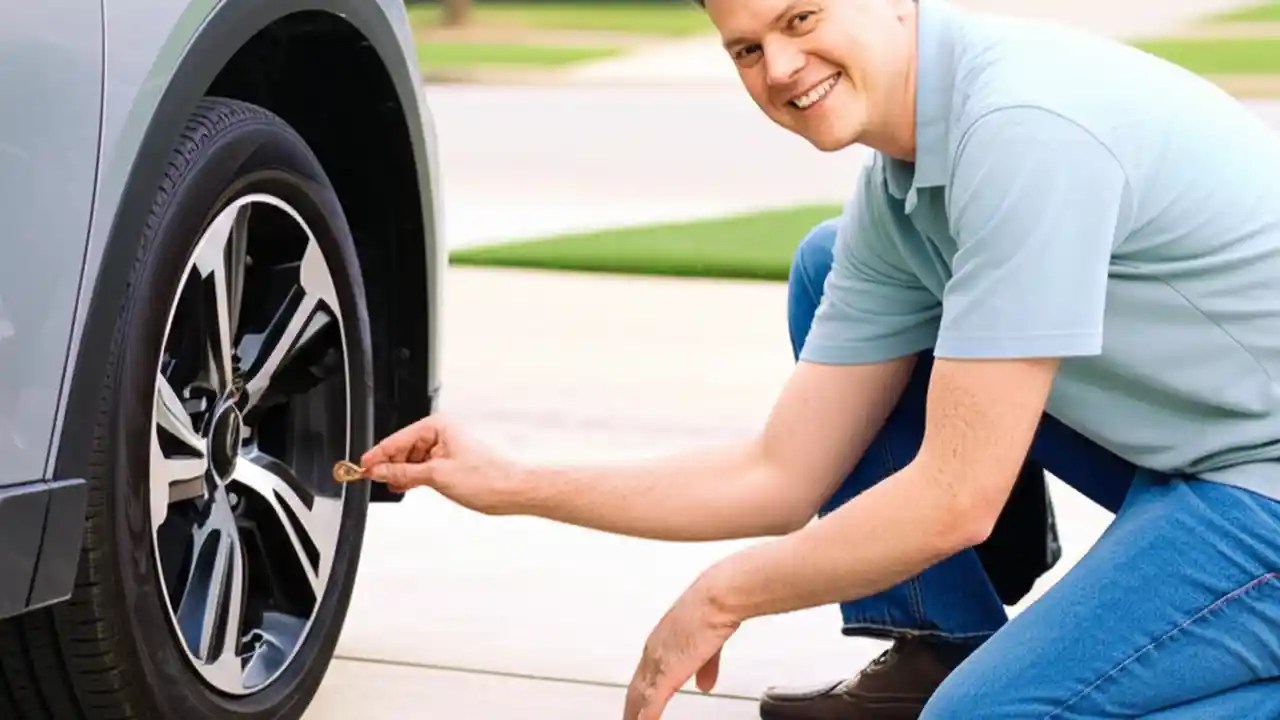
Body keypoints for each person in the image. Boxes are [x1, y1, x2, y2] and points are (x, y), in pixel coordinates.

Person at [360, 0, 1280, 717]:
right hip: (1202, 452)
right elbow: (780, 473)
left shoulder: (1024, 130)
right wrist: (513, 480)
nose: (780, 70)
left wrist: (725, 596)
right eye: (746, 49)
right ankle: (938, 647)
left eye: (800, 19)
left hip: (1260, 479)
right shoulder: (899, 190)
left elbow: (956, 498)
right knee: (825, 258)